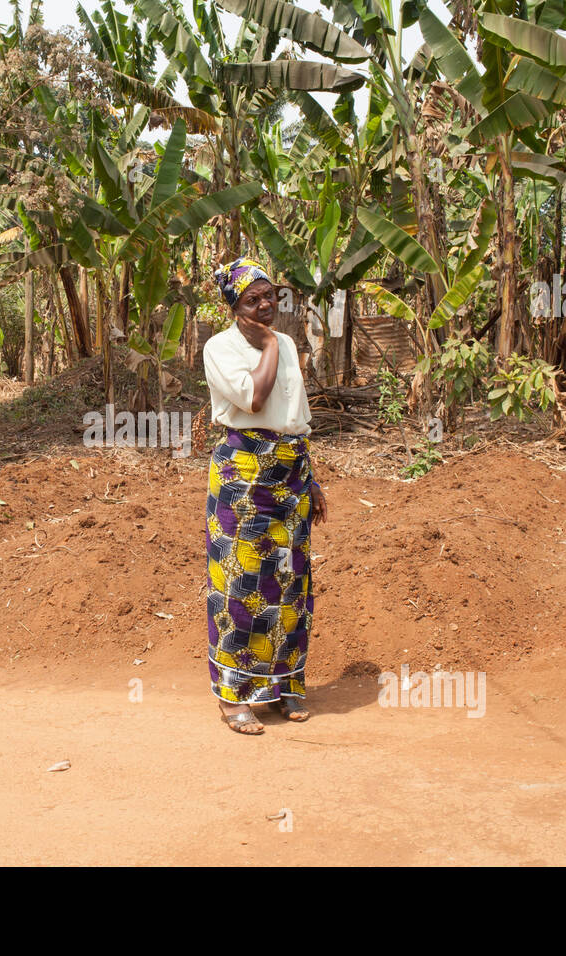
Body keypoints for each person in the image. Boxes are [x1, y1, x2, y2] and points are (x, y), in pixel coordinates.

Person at [202, 257, 328, 735]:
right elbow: (254, 399)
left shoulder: (291, 344)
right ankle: (234, 697)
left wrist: (310, 478)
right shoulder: (220, 348)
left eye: (270, 295)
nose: (264, 305)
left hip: (290, 471)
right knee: (243, 585)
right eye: (252, 299)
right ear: (232, 305)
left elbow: (295, 415)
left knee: (292, 583)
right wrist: (271, 343)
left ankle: (285, 683)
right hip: (243, 475)